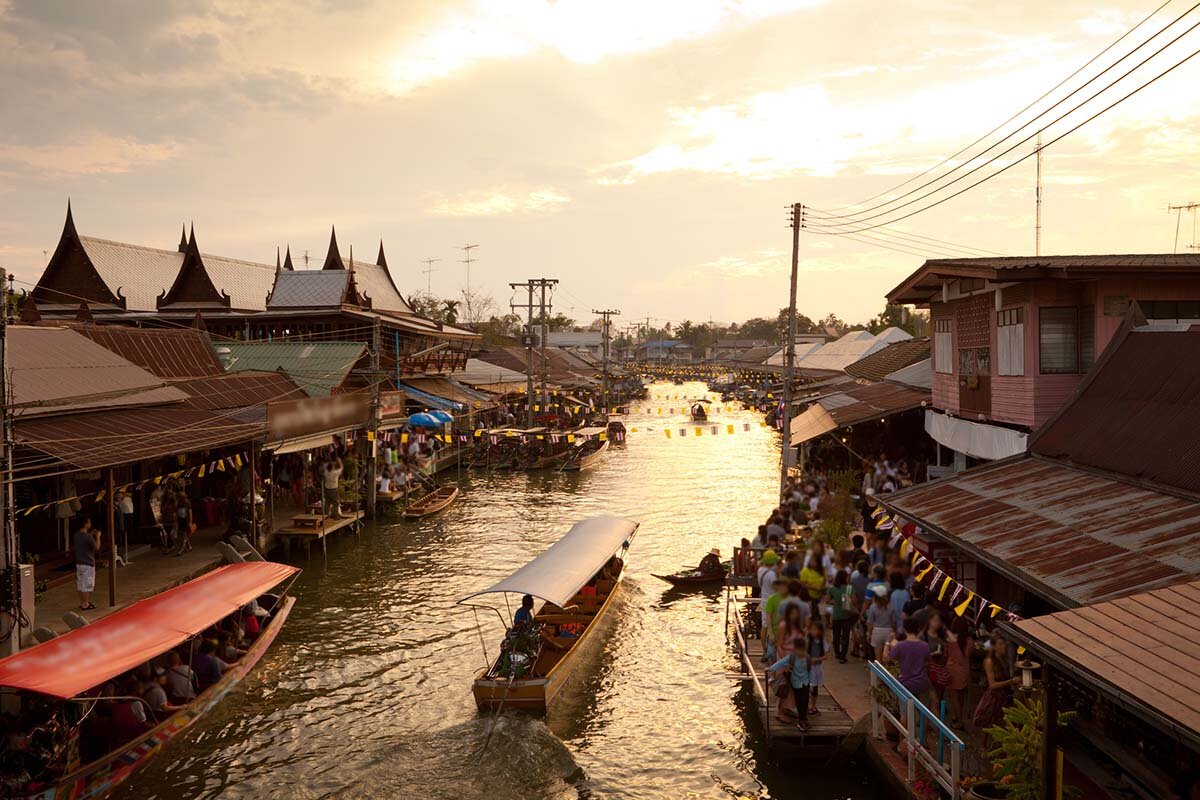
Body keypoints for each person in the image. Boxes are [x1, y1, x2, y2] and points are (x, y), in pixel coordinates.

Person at [972, 630, 1019, 732]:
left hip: (1004, 695)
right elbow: (992, 684)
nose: (1004, 646)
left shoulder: (1003, 659)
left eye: (1003, 644)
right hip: (994, 696)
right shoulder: (989, 661)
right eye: (1000, 644)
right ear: (994, 646)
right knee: (989, 723)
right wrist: (1010, 682)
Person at [769, 639, 812, 731]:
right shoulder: (792, 657)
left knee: (805, 700)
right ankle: (801, 720)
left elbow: (810, 671)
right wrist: (771, 669)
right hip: (796, 682)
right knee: (799, 700)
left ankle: (804, 718)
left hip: (805, 682)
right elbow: (781, 663)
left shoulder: (807, 657)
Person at [890, 618, 932, 699]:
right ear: (918, 629)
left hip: (906, 683)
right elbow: (928, 662)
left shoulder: (900, 645)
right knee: (922, 709)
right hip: (922, 683)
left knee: (906, 710)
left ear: (904, 629)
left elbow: (886, 658)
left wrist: (888, 643)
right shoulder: (925, 645)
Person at [945, 615, 972, 727]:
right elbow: (969, 655)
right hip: (964, 669)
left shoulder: (950, 639)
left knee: (954, 696)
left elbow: (946, 654)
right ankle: (958, 717)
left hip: (952, 669)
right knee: (961, 696)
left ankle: (959, 720)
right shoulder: (969, 640)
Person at [923, 611, 953, 711]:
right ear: (929, 621)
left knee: (938, 698)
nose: (937, 623)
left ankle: (932, 719)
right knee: (930, 699)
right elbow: (919, 654)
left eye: (939, 621)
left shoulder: (942, 636)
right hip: (927, 671)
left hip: (940, 670)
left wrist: (945, 629)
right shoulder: (923, 636)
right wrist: (932, 654)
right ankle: (928, 720)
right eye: (935, 620)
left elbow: (953, 640)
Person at [756, 550, 781, 657]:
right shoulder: (771, 574)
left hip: (764, 600)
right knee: (771, 625)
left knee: (764, 626)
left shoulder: (760, 570)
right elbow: (776, 587)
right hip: (772, 602)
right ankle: (771, 649)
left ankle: (764, 650)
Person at [828, 569, 855, 663]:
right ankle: (843, 656)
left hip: (836, 615)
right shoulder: (849, 589)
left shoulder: (832, 588)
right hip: (846, 615)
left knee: (836, 635)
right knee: (845, 636)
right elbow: (854, 601)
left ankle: (837, 653)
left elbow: (827, 600)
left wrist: (836, 602)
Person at [73, 517, 100, 611]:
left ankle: (84, 602)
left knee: (80, 583)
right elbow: (96, 547)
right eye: (89, 522)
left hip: (79, 562)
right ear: (86, 524)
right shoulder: (87, 537)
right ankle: (85, 604)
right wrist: (98, 537)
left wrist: (91, 535)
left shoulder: (76, 535)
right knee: (86, 584)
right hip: (87, 563)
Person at [865, 585, 895, 661]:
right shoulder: (891, 606)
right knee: (887, 658)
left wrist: (869, 633)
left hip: (877, 632)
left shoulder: (873, 607)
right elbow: (894, 622)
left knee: (878, 659)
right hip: (889, 632)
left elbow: (870, 622)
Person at [805, 620, 828, 715]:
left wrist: (817, 659)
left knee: (814, 688)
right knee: (807, 687)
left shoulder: (823, 642)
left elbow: (826, 656)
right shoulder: (807, 641)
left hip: (817, 668)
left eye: (816, 630)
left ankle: (813, 706)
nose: (813, 632)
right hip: (808, 668)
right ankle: (807, 705)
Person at [799, 552, 826, 620]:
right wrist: (814, 588)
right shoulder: (805, 570)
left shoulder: (822, 570)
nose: (811, 561)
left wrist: (822, 587)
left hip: (820, 596)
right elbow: (802, 584)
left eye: (814, 560)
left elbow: (825, 580)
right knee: (812, 616)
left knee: (820, 614)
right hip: (809, 597)